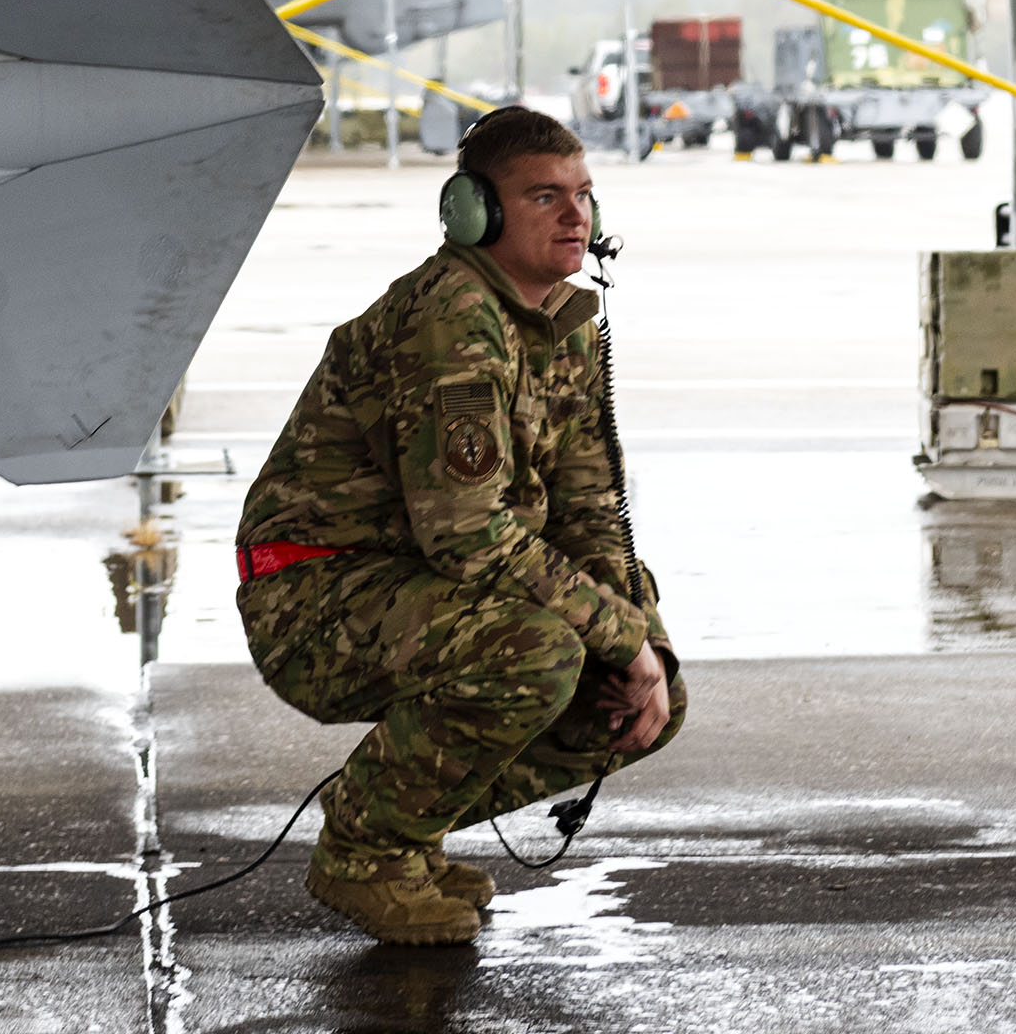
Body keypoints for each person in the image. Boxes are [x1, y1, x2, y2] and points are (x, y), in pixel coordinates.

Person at [233, 106, 682, 945]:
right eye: (544, 196)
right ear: (474, 211)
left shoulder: (561, 330)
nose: (575, 215)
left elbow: (588, 514)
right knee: (540, 653)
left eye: (584, 194)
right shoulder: (452, 319)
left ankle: (401, 822)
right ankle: (367, 844)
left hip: (417, 589)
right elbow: (468, 535)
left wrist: (638, 643)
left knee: (645, 682)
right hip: (313, 592)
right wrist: (616, 635)